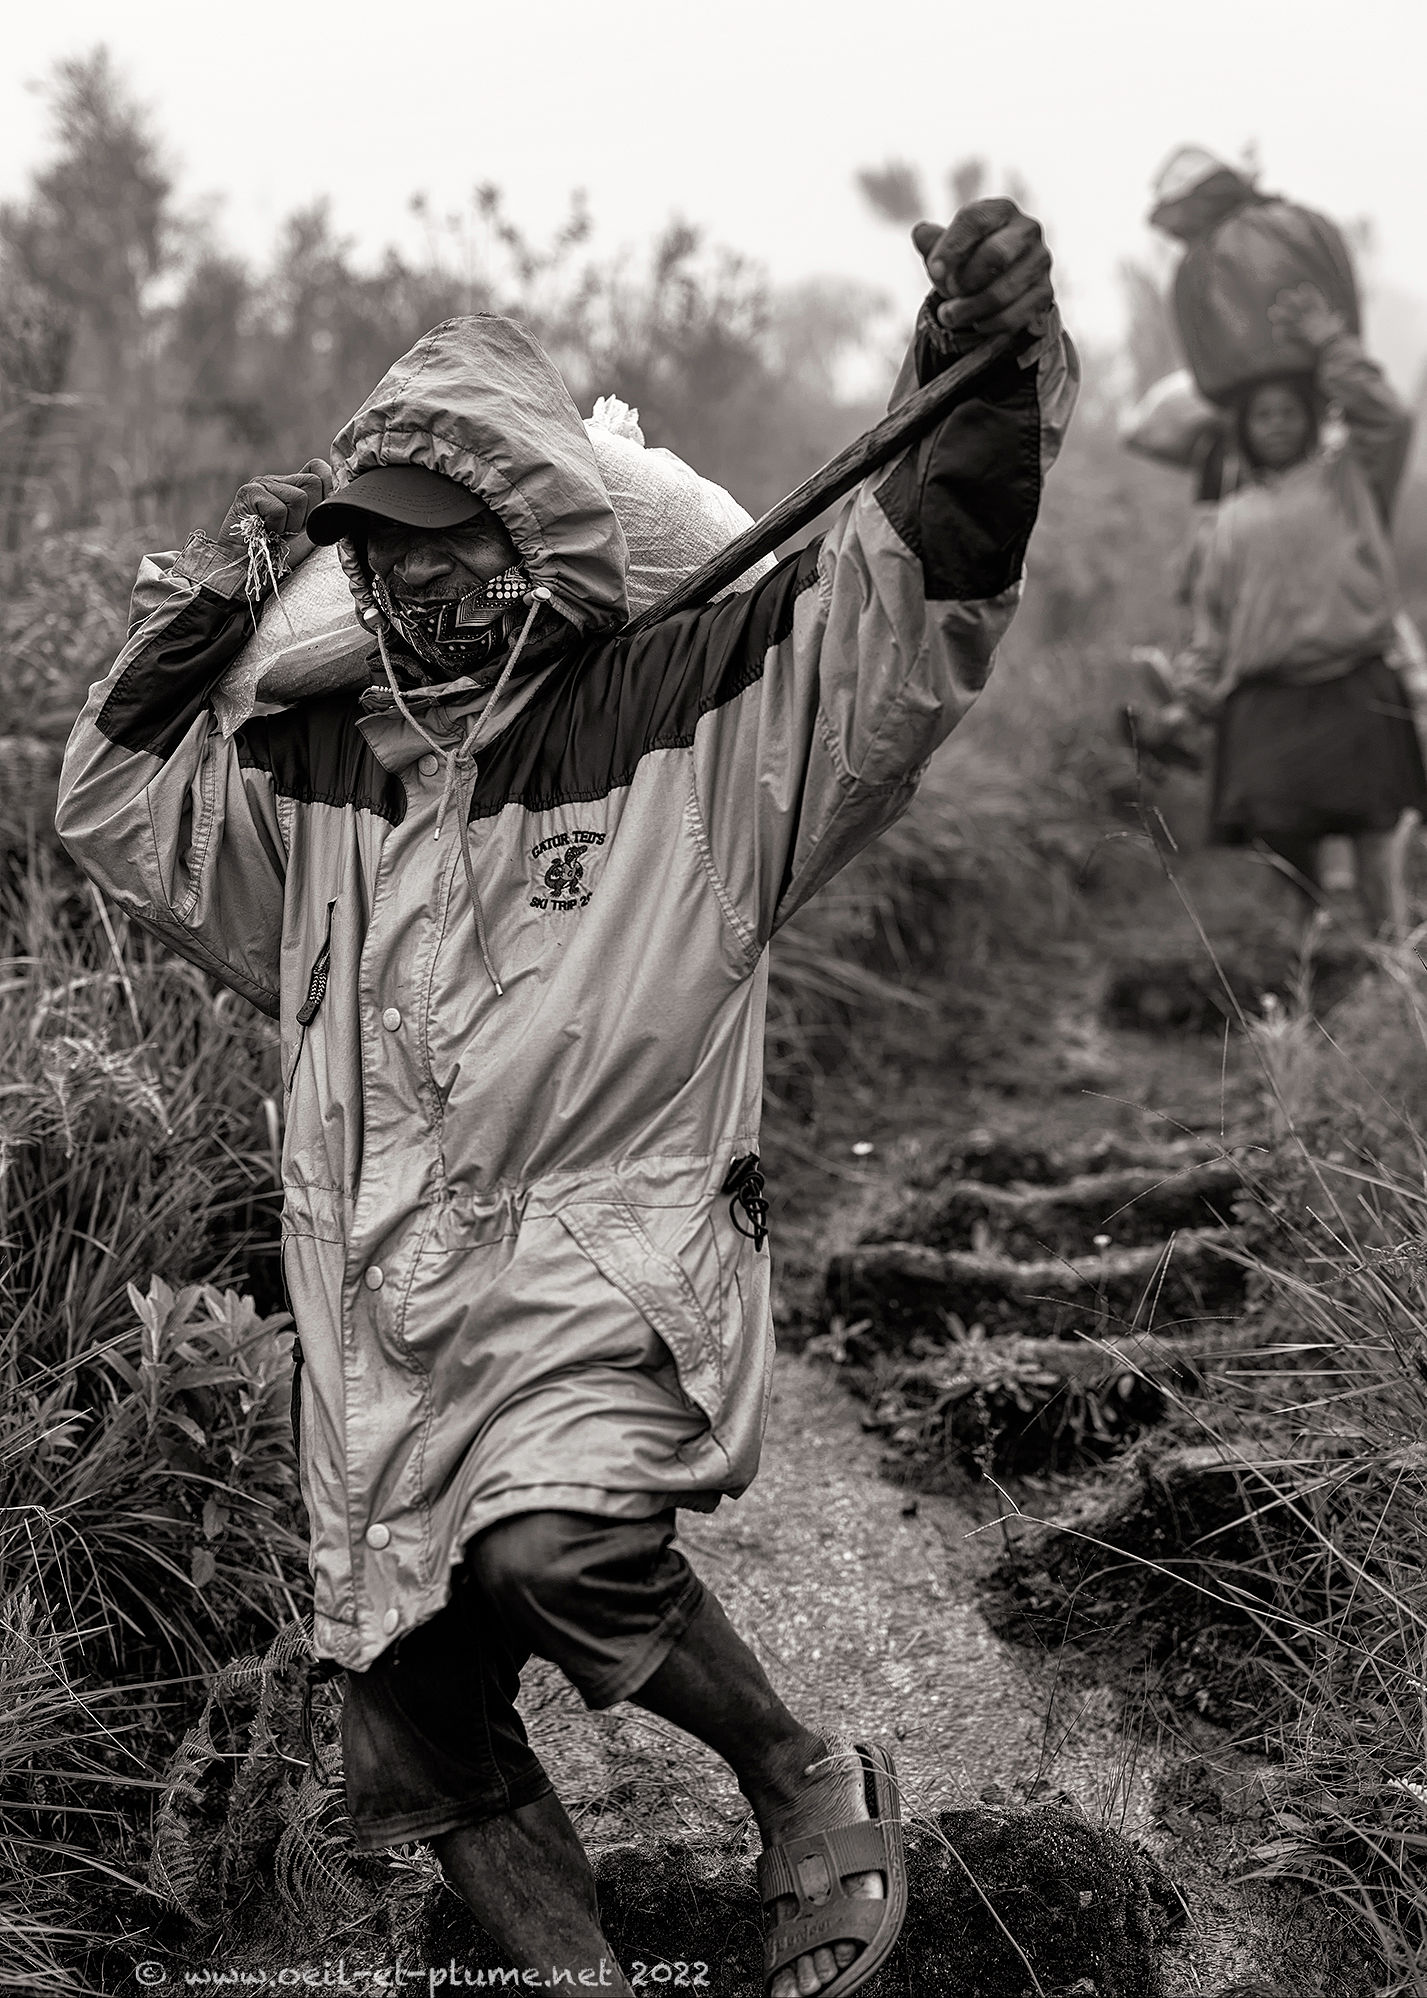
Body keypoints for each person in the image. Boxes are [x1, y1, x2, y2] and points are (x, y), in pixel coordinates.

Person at [56, 199, 1075, 1998]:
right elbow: (129, 818)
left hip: (600, 1269)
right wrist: (214, 603)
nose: (414, 585)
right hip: (381, 1330)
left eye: (453, 548)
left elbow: (894, 622)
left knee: (554, 1546)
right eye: (380, 556)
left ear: (534, 541)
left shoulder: (688, 723)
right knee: (407, 1729)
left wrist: (978, 380)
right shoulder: (321, 785)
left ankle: (797, 1767)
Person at [1158, 285, 1422, 938]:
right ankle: (1313, 924)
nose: (1274, 424)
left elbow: (1386, 417)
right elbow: (1212, 623)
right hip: (1266, 701)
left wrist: (1329, 343)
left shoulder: (1348, 477)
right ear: (1241, 430)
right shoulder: (1229, 522)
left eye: (1286, 412)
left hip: (1353, 682)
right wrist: (1191, 695)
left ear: (1308, 417)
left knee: (1372, 833)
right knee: (1274, 826)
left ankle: (1391, 960)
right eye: (1260, 416)